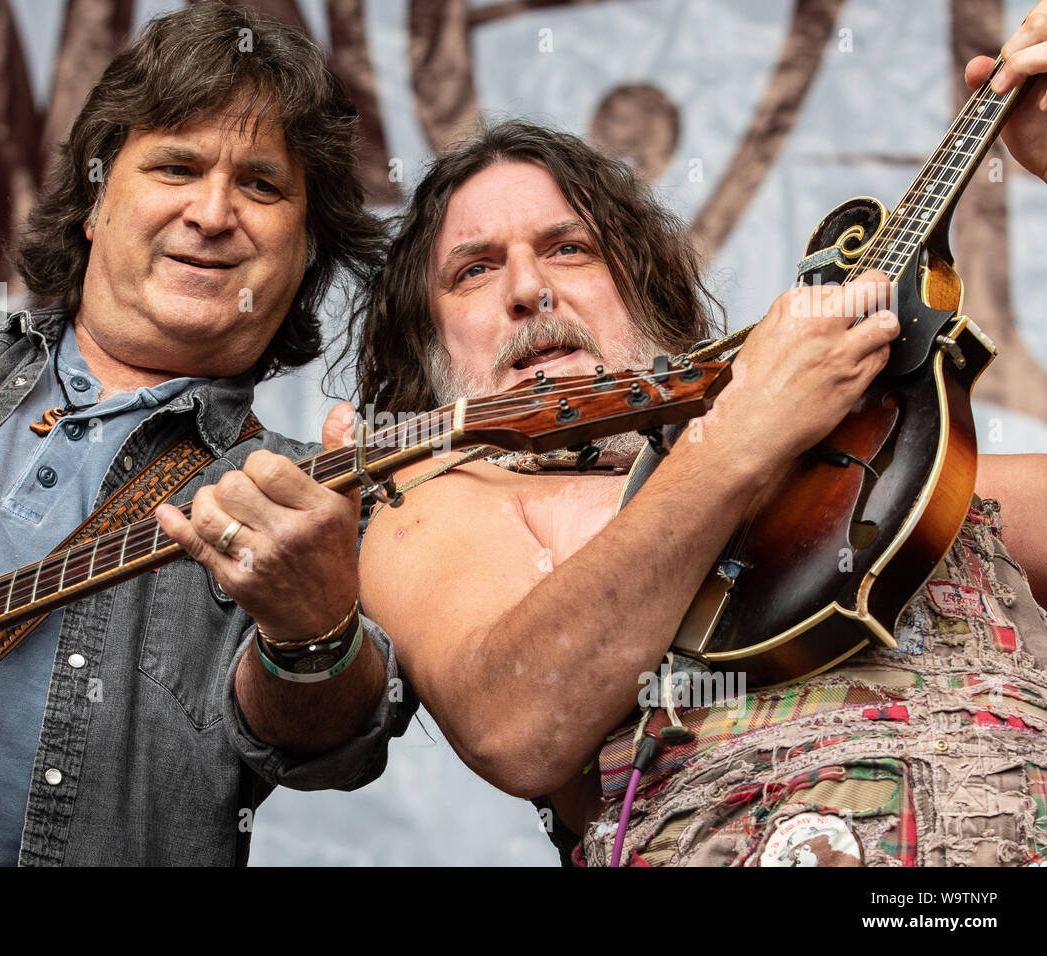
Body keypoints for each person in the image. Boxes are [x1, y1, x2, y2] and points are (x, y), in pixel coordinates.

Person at [351, 10, 1047, 865]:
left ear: (645, 296)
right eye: (476, 269)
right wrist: (741, 435)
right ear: (428, 348)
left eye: (570, 249)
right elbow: (516, 725)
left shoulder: (900, 470)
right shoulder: (434, 505)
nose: (529, 289)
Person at [0, 4, 412, 866]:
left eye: (261, 185)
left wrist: (314, 632)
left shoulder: (305, 503)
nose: (212, 213)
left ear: (306, 250)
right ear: (96, 201)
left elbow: (335, 745)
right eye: (176, 166)